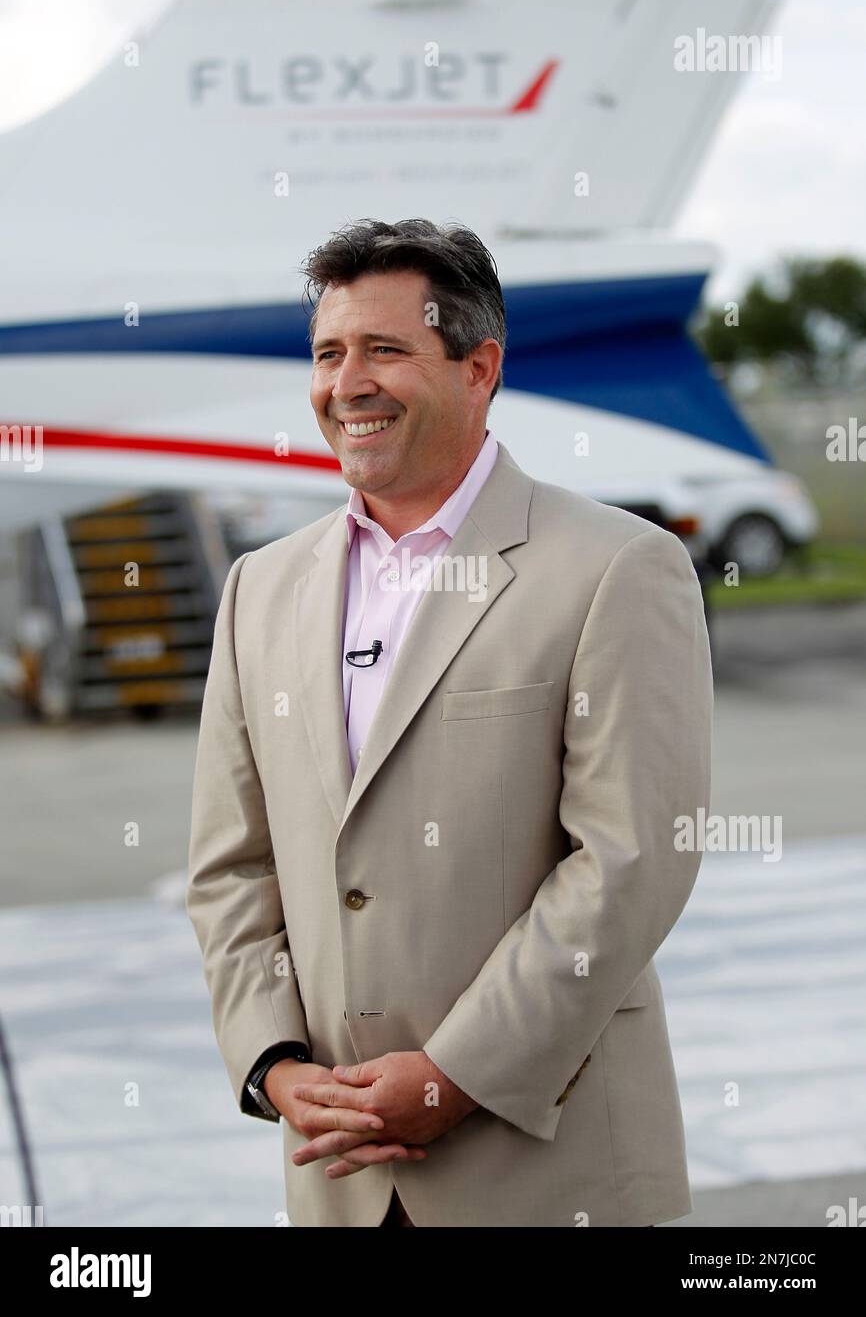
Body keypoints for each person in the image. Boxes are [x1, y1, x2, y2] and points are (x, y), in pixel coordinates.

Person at [186, 217, 712, 1227]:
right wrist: (273, 1064)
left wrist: (451, 1076)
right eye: (328, 353)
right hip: (337, 1171)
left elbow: (629, 860)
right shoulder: (259, 588)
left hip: (543, 1169)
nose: (348, 383)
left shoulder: (614, 566)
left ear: (479, 368)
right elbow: (232, 863)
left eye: (385, 348)